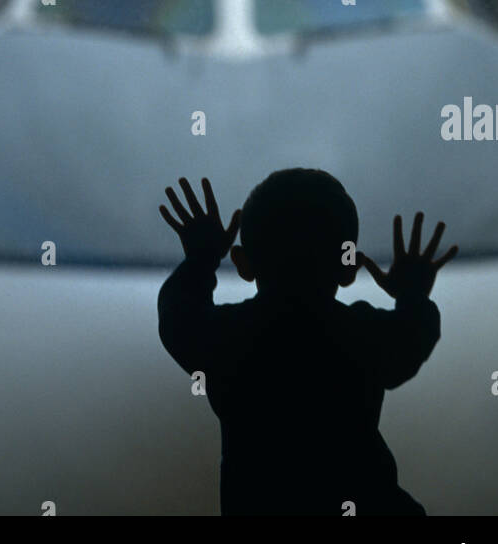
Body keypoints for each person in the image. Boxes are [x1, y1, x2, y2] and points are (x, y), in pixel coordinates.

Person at [157, 168, 458, 516]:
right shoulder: (362, 334)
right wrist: (412, 295)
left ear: (242, 263)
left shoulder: (227, 335)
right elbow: (411, 336)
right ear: (350, 268)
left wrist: (200, 259)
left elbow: (179, 319)